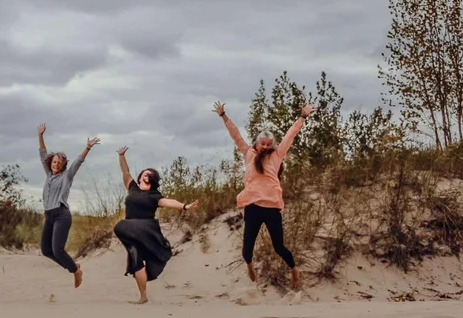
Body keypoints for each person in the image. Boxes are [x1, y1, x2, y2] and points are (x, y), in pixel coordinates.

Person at [213, 101, 315, 290]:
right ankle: (250, 266)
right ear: (257, 144)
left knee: (279, 247)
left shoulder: (277, 156)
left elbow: (290, 135)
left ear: (273, 145)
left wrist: (302, 117)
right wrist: (223, 116)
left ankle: (294, 269)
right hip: (252, 207)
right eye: (263, 143)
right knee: (247, 250)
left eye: (269, 144)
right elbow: (236, 135)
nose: (266, 146)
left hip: (272, 208)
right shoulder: (249, 154)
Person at [114, 147, 198, 304]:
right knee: (135, 260)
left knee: (120, 226)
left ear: (153, 179)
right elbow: (125, 172)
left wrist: (184, 206)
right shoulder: (132, 188)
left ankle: (151, 265)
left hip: (145, 228)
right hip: (130, 230)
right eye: (145, 172)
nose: (147, 174)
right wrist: (121, 156)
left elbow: (168, 202)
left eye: (150, 174)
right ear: (140, 177)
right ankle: (143, 296)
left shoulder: (154, 195)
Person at [37, 123, 99, 288]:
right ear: (51, 163)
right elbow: (43, 153)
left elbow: (77, 162)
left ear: (63, 165)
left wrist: (87, 148)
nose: (56, 164)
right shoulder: (48, 174)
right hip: (49, 216)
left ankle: (75, 271)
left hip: (61, 215)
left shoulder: (67, 176)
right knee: (46, 250)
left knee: (57, 250)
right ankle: (73, 266)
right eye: (54, 162)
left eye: (59, 162)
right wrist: (41, 135)